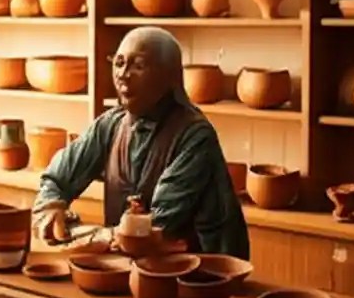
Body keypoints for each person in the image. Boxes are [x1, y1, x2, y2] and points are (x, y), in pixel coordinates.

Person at [32, 26, 250, 259]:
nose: (123, 74)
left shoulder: (194, 136)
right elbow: (56, 178)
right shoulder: (111, 124)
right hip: (123, 266)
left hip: (191, 275)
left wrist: (96, 237)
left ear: (168, 76)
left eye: (138, 65)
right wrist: (51, 206)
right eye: (119, 63)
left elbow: (153, 229)